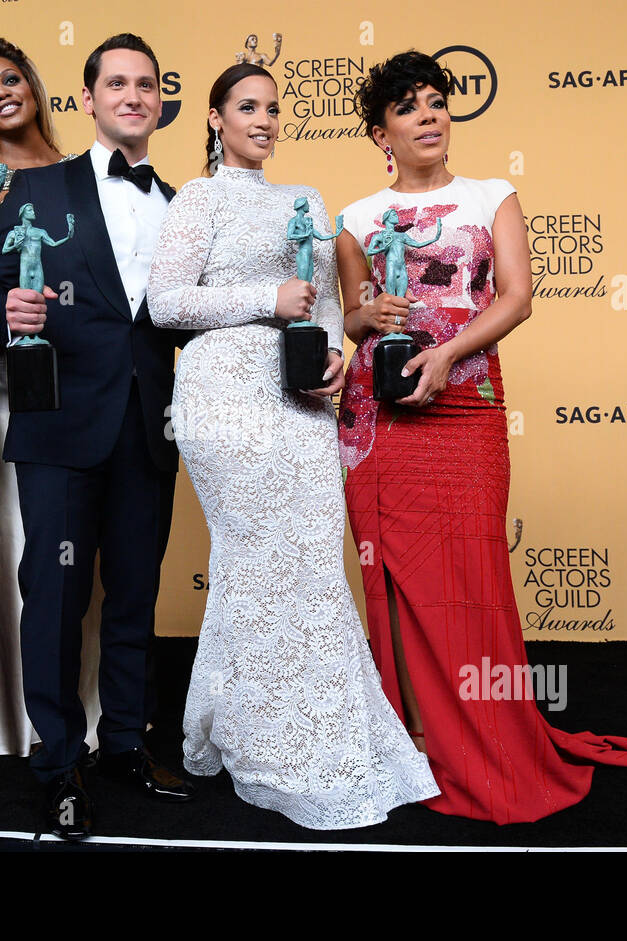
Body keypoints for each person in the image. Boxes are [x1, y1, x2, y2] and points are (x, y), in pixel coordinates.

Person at [336, 50, 627, 825]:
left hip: (466, 409)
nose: (430, 116)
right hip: (380, 424)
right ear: (382, 132)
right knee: (400, 591)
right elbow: (349, 318)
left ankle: (490, 742)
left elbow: (518, 296)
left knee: (473, 586)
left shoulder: (490, 195)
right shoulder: (353, 218)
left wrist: (446, 354)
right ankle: (415, 743)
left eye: (437, 102)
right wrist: (366, 318)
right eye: (409, 107)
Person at [147, 64, 437, 829]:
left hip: (301, 395)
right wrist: (263, 299)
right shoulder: (197, 198)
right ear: (214, 118)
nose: (265, 119)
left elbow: (334, 310)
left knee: (307, 554)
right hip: (222, 396)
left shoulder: (305, 199)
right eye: (248, 107)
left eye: (274, 108)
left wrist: (339, 354)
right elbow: (165, 302)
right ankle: (262, 736)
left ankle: (298, 728)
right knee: (254, 553)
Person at [0, 33, 195, 840]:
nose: (133, 96)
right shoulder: (37, 188)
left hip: (150, 423)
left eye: (148, 84)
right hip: (60, 420)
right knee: (57, 599)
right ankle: (58, 764)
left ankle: (126, 745)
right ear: (91, 99)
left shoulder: (183, 203)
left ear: (160, 101)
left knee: (135, 594)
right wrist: (6, 312)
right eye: (117, 84)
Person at [0, 36, 101, 759]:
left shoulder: (81, 173)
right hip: (4, 381)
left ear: (34, 86)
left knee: (73, 537)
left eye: (11, 78)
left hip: (81, 373)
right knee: (7, 524)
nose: (1, 92)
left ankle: (80, 709)